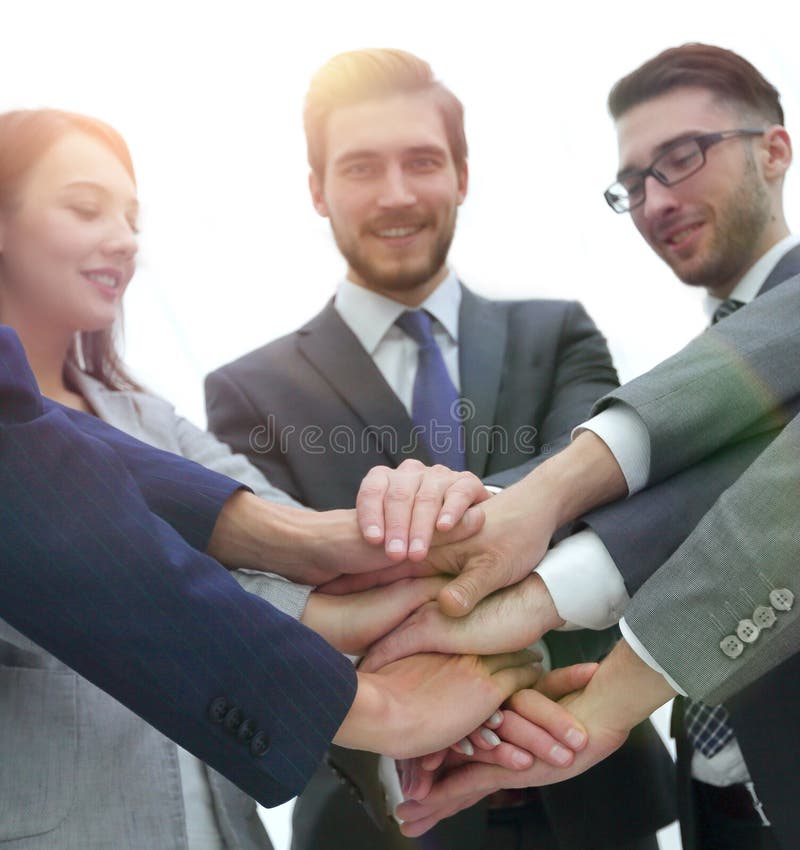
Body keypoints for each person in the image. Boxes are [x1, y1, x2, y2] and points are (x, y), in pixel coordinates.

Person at [0, 108, 541, 849]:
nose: (125, 238)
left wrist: (427, 538)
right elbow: (83, 542)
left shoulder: (155, 424)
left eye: (132, 216)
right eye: (87, 208)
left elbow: (313, 566)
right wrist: (374, 692)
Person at [206, 48, 674, 850]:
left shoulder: (556, 331)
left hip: (591, 783)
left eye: (422, 161)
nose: (396, 195)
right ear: (317, 189)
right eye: (360, 168)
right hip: (384, 814)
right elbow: (272, 597)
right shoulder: (249, 392)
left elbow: (595, 498)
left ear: (461, 174)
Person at [365, 44, 800, 850]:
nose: (656, 200)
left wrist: (530, 522)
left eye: (681, 157)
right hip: (716, 810)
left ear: (773, 149)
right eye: (632, 184)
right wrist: (470, 516)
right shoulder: (695, 376)